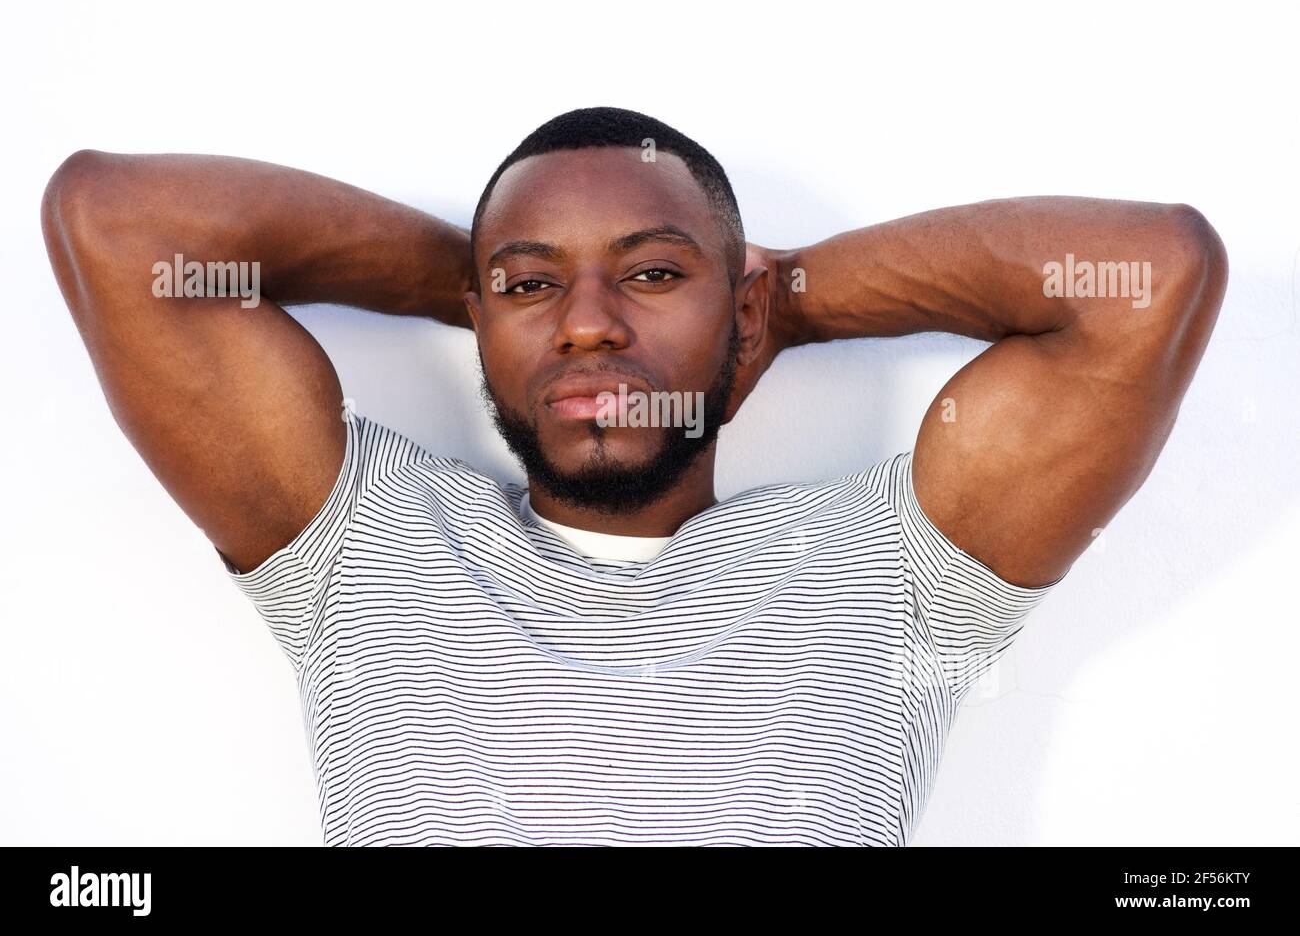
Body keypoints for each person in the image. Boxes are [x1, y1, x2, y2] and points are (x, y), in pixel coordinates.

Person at [40, 106, 1228, 846]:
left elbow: (1149, 274)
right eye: (530, 286)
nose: (591, 326)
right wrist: (502, 296)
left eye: (654, 277)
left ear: (739, 305)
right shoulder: (365, 541)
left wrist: (774, 306)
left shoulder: (893, 570)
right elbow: (118, 223)